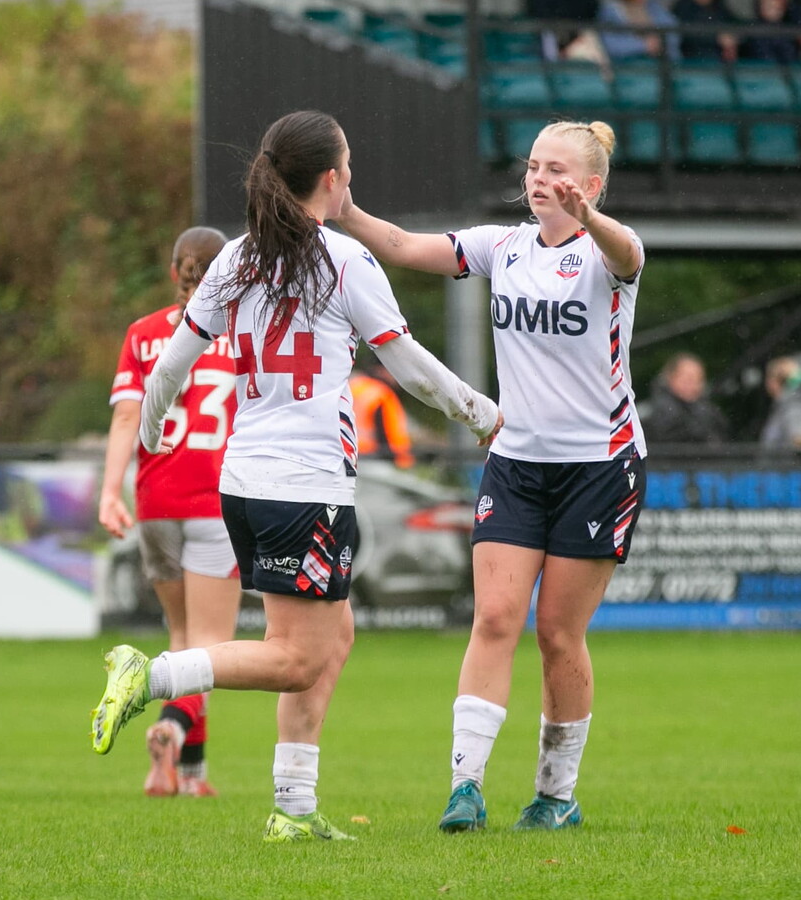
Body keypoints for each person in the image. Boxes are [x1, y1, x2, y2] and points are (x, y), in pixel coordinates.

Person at [87, 110, 502, 843]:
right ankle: (148, 677)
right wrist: (480, 413)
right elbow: (403, 361)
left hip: (244, 482)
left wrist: (151, 428)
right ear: (333, 180)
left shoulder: (237, 257)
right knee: (296, 656)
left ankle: (294, 807)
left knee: (332, 637)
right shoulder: (343, 260)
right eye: (349, 166)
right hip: (301, 486)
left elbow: (173, 361)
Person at [333, 120, 649, 833]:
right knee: (495, 618)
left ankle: (555, 795)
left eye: (558, 171)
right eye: (534, 167)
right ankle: (464, 789)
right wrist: (346, 212)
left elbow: (628, 251)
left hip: (599, 468)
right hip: (514, 463)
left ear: (592, 185)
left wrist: (591, 217)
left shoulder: (607, 254)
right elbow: (408, 248)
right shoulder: (502, 247)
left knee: (558, 635)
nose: (541, 179)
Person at [99, 226, 242, 798]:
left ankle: (191, 774)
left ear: (173, 271)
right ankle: (171, 726)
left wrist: (112, 492)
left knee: (181, 634)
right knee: (209, 648)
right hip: (215, 498)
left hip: (155, 503)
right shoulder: (241, 330)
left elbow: (125, 420)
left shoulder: (142, 334)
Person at [640, 352, 730, 444]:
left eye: (699, 380)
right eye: (688, 379)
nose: (693, 385)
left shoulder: (710, 412)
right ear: (670, 378)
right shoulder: (652, 413)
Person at [349, 359, 415, 468]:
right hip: (375, 461)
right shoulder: (381, 394)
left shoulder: (353, 385)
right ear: (381, 370)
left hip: (349, 457)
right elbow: (386, 437)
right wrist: (400, 461)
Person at [760, 357, 801, 452]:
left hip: (789, 466)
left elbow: (800, 443)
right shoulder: (786, 406)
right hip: (787, 465)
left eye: (770, 377)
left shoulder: (794, 408)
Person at [598, 0, 684, 59]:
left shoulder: (654, 7)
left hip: (664, 66)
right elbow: (610, 45)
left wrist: (659, 42)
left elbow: (674, 33)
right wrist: (643, 45)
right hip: (633, 69)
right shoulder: (611, 10)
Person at [672, 0, 742, 61]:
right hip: (693, 60)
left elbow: (736, 23)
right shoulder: (683, 7)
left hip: (721, 60)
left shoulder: (719, 6)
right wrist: (716, 38)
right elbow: (682, 34)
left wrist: (732, 36)